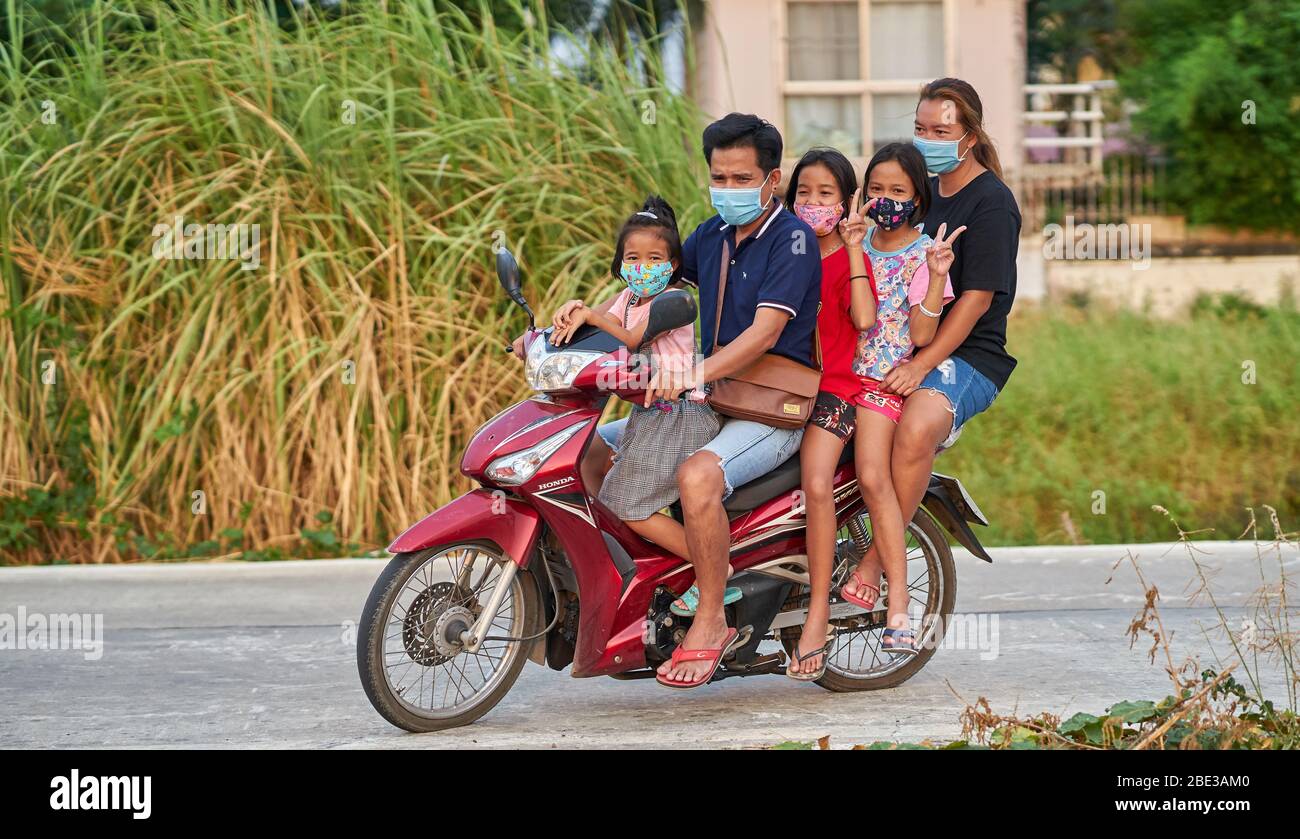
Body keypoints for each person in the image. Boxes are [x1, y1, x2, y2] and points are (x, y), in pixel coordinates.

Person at [596, 113, 822, 689]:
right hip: (716, 397)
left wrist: (696, 371)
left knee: (698, 477)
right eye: (718, 176)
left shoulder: (792, 241)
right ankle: (658, 577)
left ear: (772, 180)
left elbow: (765, 333)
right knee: (594, 447)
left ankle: (712, 616)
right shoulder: (712, 236)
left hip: (772, 406)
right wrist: (587, 318)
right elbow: (651, 284)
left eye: (741, 178)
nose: (728, 188)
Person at [842, 79, 1020, 645]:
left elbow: (977, 299)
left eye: (941, 131)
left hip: (965, 355)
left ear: (969, 135)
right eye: (921, 129)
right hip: (896, 345)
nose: (928, 140)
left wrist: (924, 365)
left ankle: (875, 562)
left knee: (915, 426)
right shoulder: (920, 191)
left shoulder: (991, 202)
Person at [547, 196, 723, 569]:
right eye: (632, 258)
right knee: (590, 463)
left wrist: (591, 315)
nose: (643, 268)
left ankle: (712, 568)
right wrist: (544, 334)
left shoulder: (675, 300)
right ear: (621, 262)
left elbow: (630, 339)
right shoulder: (629, 297)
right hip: (650, 414)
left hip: (680, 416)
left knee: (624, 505)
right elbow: (594, 325)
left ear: (673, 264)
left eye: (654, 259)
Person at [780, 146, 877, 680]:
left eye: (826, 194)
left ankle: (817, 614)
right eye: (803, 193)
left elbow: (863, 319)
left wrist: (855, 249)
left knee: (817, 483)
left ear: (846, 202)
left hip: (834, 391)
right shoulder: (782, 249)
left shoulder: (847, 255)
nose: (813, 203)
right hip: (776, 390)